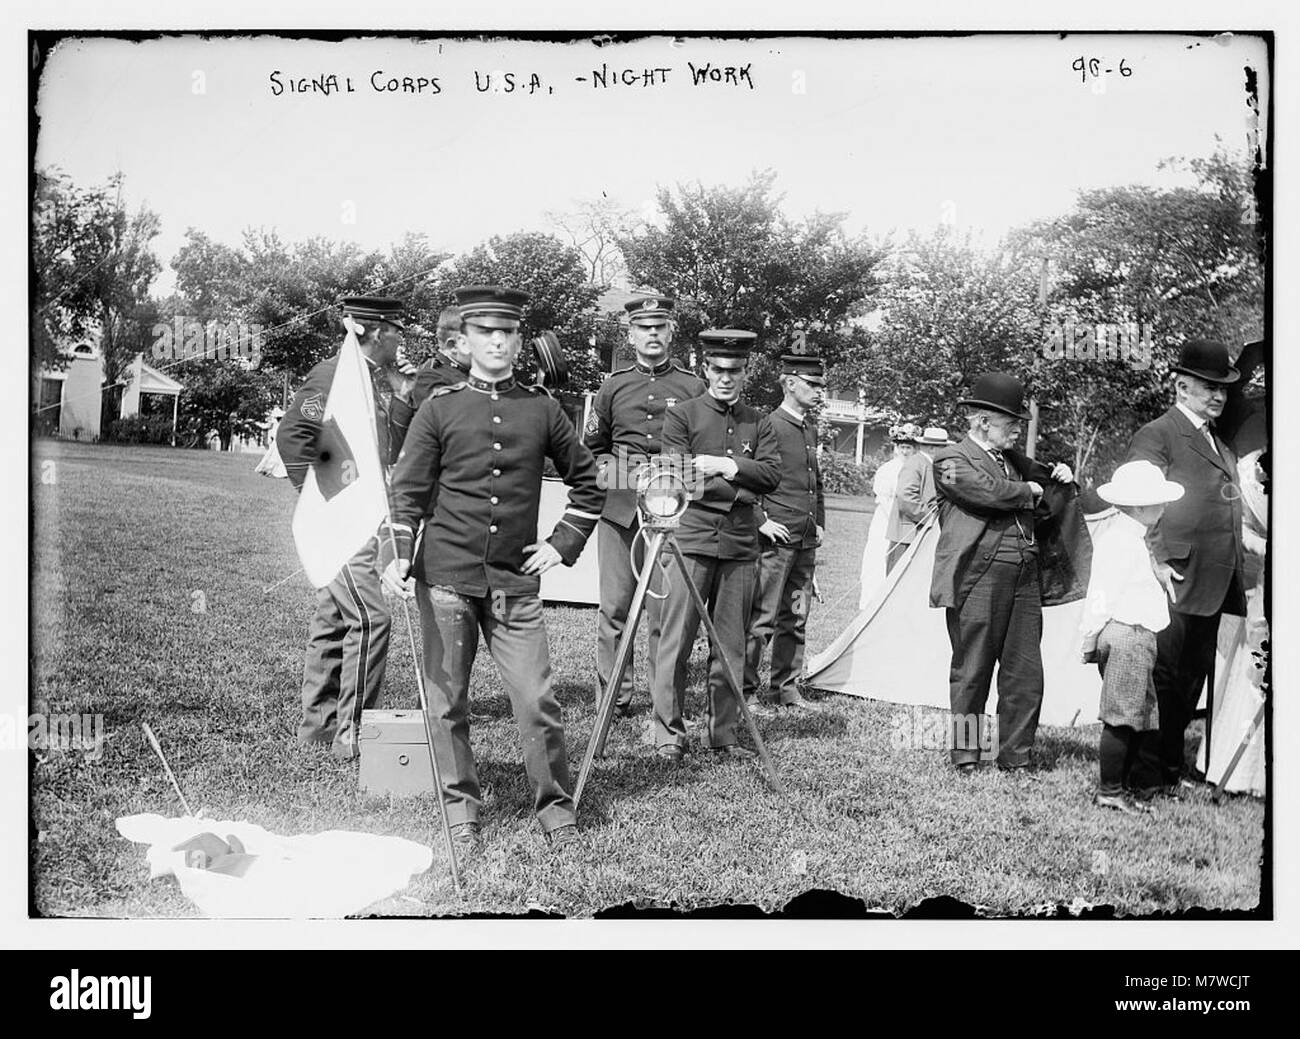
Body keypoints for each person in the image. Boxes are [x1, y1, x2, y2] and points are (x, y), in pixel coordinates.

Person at [379, 285, 604, 857]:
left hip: (514, 584)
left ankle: (555, 807)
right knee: (447, 701)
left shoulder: (542, 409)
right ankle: (461, 811)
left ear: (519, 341)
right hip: (447, 578)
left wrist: (561, 544)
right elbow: (405, 494)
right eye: (486, 333)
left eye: (507, 332)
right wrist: (397, 556)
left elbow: (588, 483)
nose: (498, 341)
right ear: (466, 341)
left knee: (536, 701)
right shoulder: (440, 407)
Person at [277, 295, 414, 761]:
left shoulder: (373, 379)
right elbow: (294, 435)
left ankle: (316, 729)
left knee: (333, 621)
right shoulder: (333, 373)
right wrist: (325, 495)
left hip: (362, 520)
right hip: (345, 524)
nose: (403, 338)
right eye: (398, 329)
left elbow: (385, 450)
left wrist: (402, 394)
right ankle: (351, 735)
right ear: (376, 332)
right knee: (372, 619)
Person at [929, 372, 1075, 772]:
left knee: (1025, 671)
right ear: (981, 422)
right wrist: (1028, 491)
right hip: (978, 575)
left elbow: (1047, 486)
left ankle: (1017, 756)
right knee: (972, 668)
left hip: (1025, 575)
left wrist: (1058, 476)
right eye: (1011, 424)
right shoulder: (949, 460)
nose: (1016, 431)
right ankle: (966, 756)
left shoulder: (1015, 461)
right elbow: (984, 492)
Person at [653, 330, 781, 761]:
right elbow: (676, 477)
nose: (726, 377)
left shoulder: (759, 421)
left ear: (746, 373)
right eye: (718, 369)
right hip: (690, 539)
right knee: (676, 640)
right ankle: (669, 733)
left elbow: (772, 476)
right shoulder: (683, 416)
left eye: (736, 370)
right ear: (706, 369)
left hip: (740, 544)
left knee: (730, 644)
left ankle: (722, 733)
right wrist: (742, 487)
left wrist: (727, 465)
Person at [1126, 339, 1246, 791]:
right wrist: (1155, 559)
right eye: (1209, 387)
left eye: (1223, 389)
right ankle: (1145, 775)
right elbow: (1139, 505)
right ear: (1181, 387)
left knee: (1190, 680)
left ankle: (1172, 770)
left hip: (1212, 581)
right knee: (1163, 679)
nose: (1218, 396)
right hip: (1172, 575)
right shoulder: (1158, 434)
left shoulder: (1218, 441)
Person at [583, 294, 705, 716]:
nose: (652, 335)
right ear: (630, 334)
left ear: (671, 332)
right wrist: (625, 477)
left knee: (664, 610)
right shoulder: (613, 386)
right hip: (619, 512)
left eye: (660, 327)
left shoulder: (693, 387)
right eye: (644, 327)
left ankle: (664, 700)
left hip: (672, 513)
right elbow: (592, 450)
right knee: (615, 607)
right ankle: (613, 699)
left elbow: (700, 451)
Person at [1079, 460, 1186, 814]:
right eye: (1158, 502)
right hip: (1127, 634)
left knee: (1139, 713)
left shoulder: (1132, 538)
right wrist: (1090, 638)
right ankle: (1109, 790)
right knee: (1122, 716)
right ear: (1139, 506)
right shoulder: (1120, 542)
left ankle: (1125, 784)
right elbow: (1101, 594)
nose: (1164, 507)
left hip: (1138, 637)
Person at [743, 350, 826, 712]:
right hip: (775, 541)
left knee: (796, 616)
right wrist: (762, 519)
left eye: (822, 385)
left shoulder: (809, 426)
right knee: (761, 619)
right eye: (813, 384)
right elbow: (749, 479)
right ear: (790, 384)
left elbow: (814, 483)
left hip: (804, 540)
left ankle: (786, 689)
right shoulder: (769, 425)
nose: (820, 391)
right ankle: (745, 691)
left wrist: (819, 521)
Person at [859, 424, 918, 607]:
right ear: (896, 448)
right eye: (902, 447)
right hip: (886, 518)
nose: (905, 451)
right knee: (878, 556)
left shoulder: (917, 468)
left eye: (909, 447)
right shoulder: (888, 469)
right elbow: (883, 498)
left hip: (908, 521)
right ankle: (871, 601)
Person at [886, 425, 946, 572]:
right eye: (943, 447)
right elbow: (906, 496)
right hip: (907, 534)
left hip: (924, 532)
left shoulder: (941, 465)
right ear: (931, 448)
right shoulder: (915, 463)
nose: (946, 451)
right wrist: (930, 517)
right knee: (898, 579)